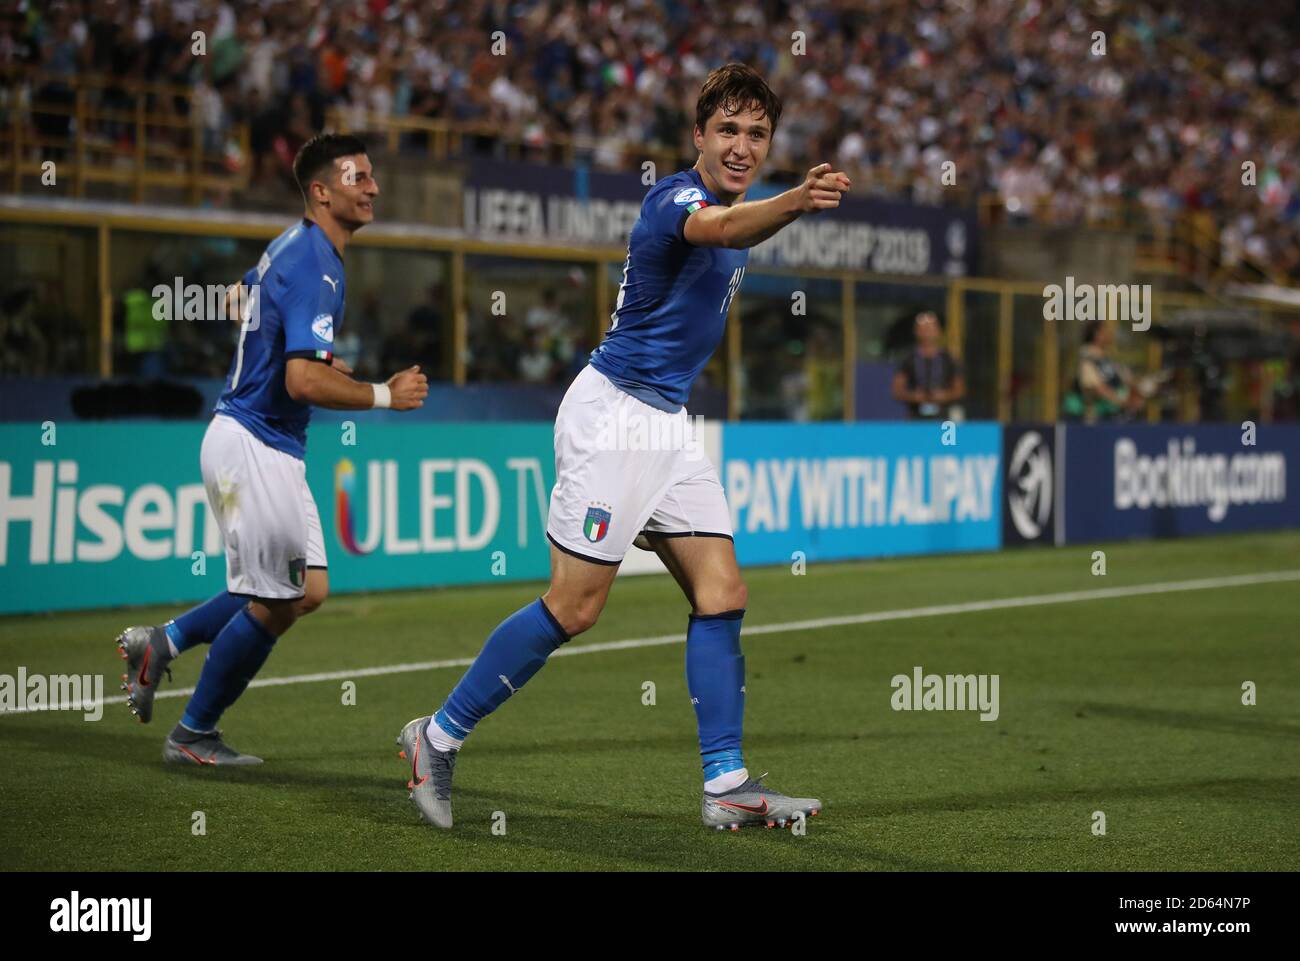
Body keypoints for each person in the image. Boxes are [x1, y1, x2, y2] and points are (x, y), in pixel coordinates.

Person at [397, 63, 850, 832]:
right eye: (728, 130)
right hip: (613, 415)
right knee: (575, 606)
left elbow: (734, 231)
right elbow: (722, 228)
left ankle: (726, 783)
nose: (742, 146)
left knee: (722, 592)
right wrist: (799, 200)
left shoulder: (738, 211)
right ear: (699, 136)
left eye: (757, 134)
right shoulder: (676, 199)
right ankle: (433, 739)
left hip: (666, 426)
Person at [116, 134, 428, 765]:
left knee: (304, 589)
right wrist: (384, 396)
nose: (372, 188)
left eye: (371, 177)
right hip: (252, 442)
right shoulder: (316, 263)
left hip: (264, 444)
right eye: (357, 178)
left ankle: (165, 643)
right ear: (320, 191)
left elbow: (243, 296)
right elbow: (302, 380)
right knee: (280, 594)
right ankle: (193, 733)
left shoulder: (294, 248)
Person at [1062, 320, 1145, 423]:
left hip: (1106, 414)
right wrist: (1126, 403)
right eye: (1104, 331)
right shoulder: (1087, 357)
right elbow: (1096, 388)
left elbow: (1126, 380)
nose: (1109, 334)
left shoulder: (1105, 357)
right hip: (1083, 417)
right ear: (1096, 334)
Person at [892, 311, 965, 419]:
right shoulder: (908, 359)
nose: (927, 332)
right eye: (923, 329)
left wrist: (944, 395)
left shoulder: (949, 359)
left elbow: (959, 389)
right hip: (916, 416)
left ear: (938, 331)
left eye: (930, 328)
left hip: (943, 416)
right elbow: (897, 391)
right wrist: (914, 396)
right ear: (916, 331)